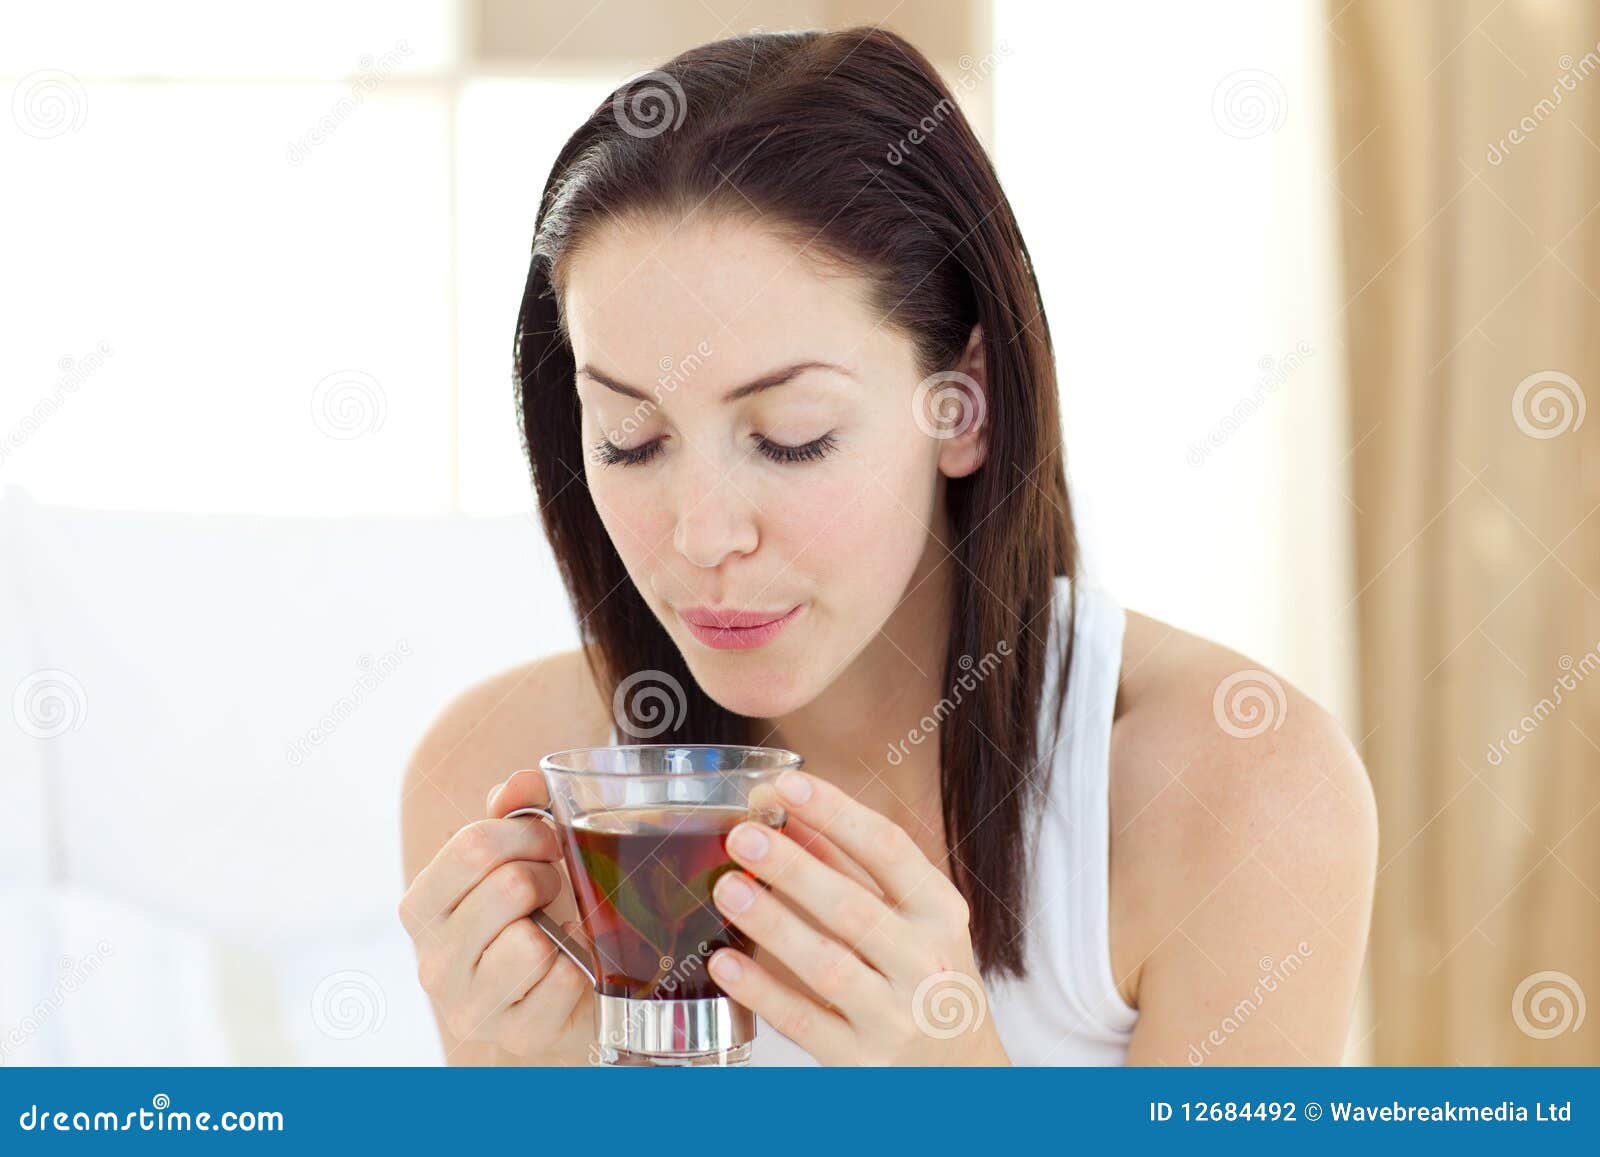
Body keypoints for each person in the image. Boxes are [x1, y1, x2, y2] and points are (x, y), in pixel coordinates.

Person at [398, 26, 1377, 1066]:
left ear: (964, 405)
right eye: (629, 440)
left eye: (791, 436)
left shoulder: (1238, 789)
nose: (701, 535)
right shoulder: (508, 788)